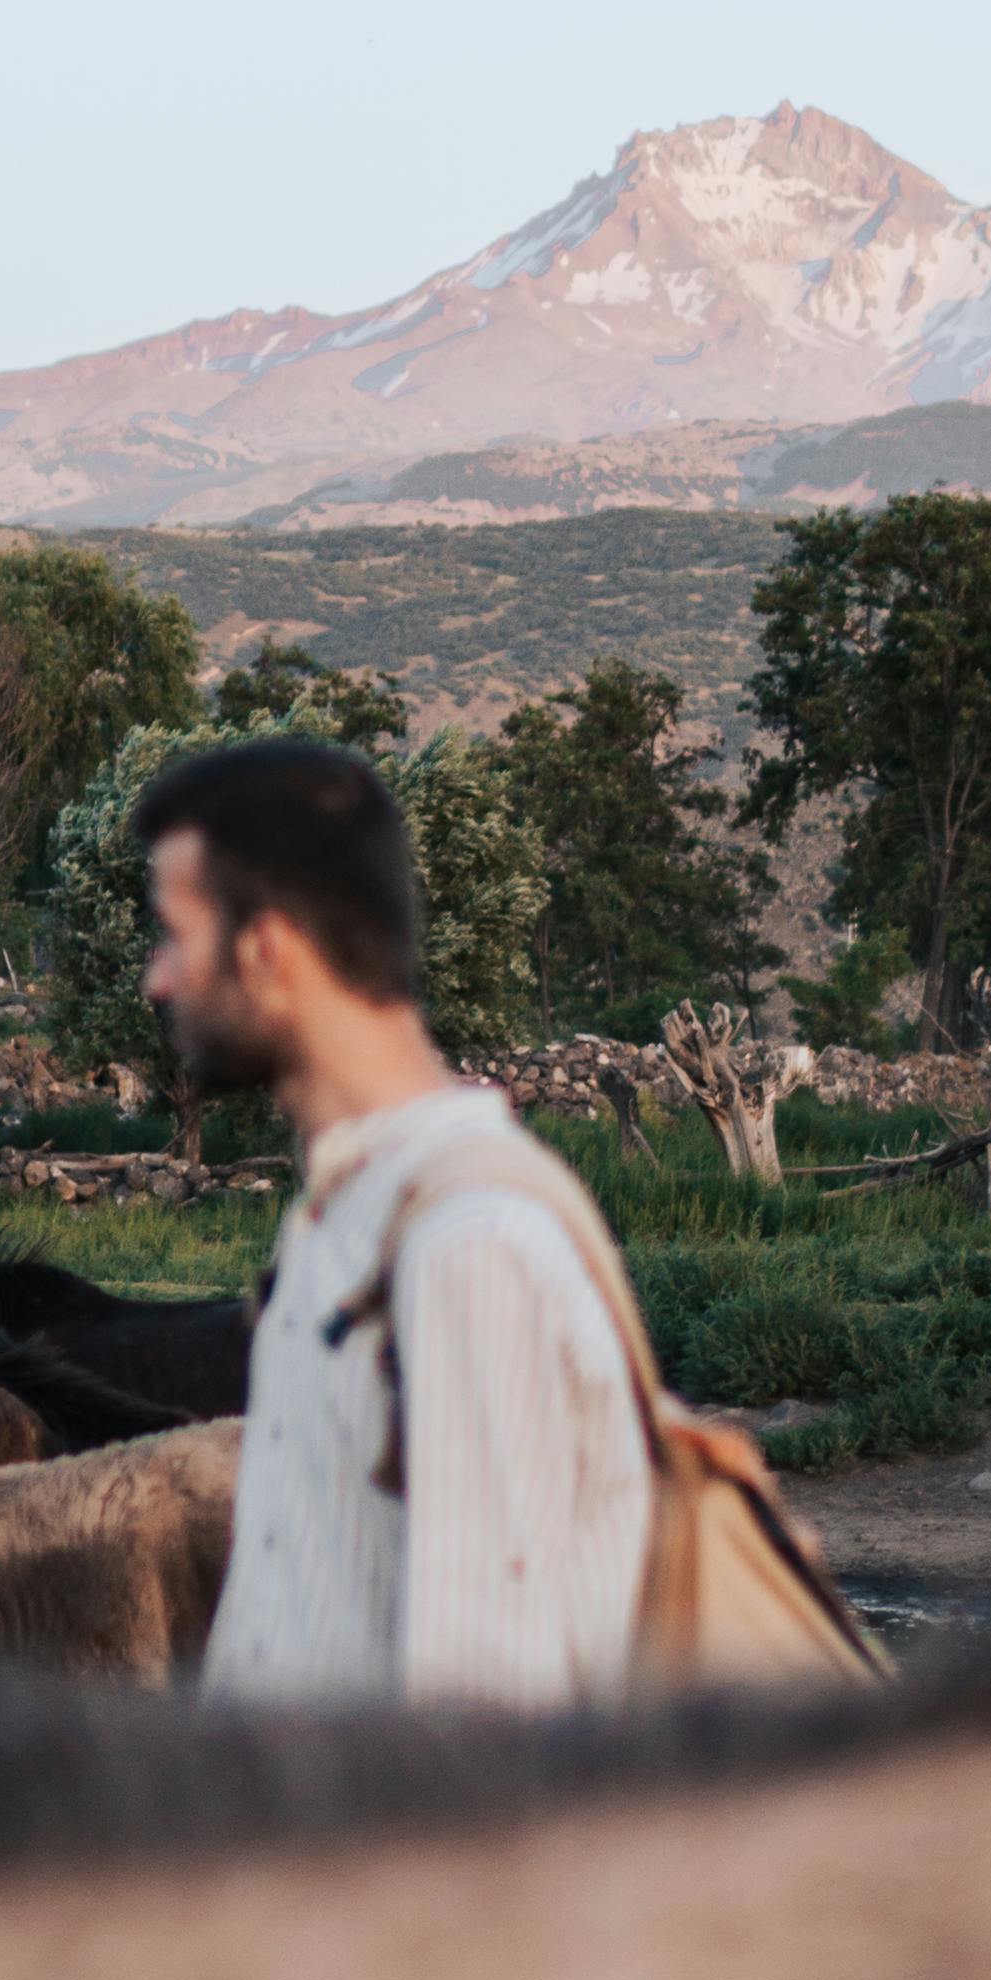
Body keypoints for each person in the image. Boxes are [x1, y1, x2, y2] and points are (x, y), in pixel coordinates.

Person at [135, 730, 656, 1705]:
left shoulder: (469, 1248)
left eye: (173, 935)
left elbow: (478, 1732)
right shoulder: (347, 1218)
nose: (155, 979)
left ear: (268, 952)